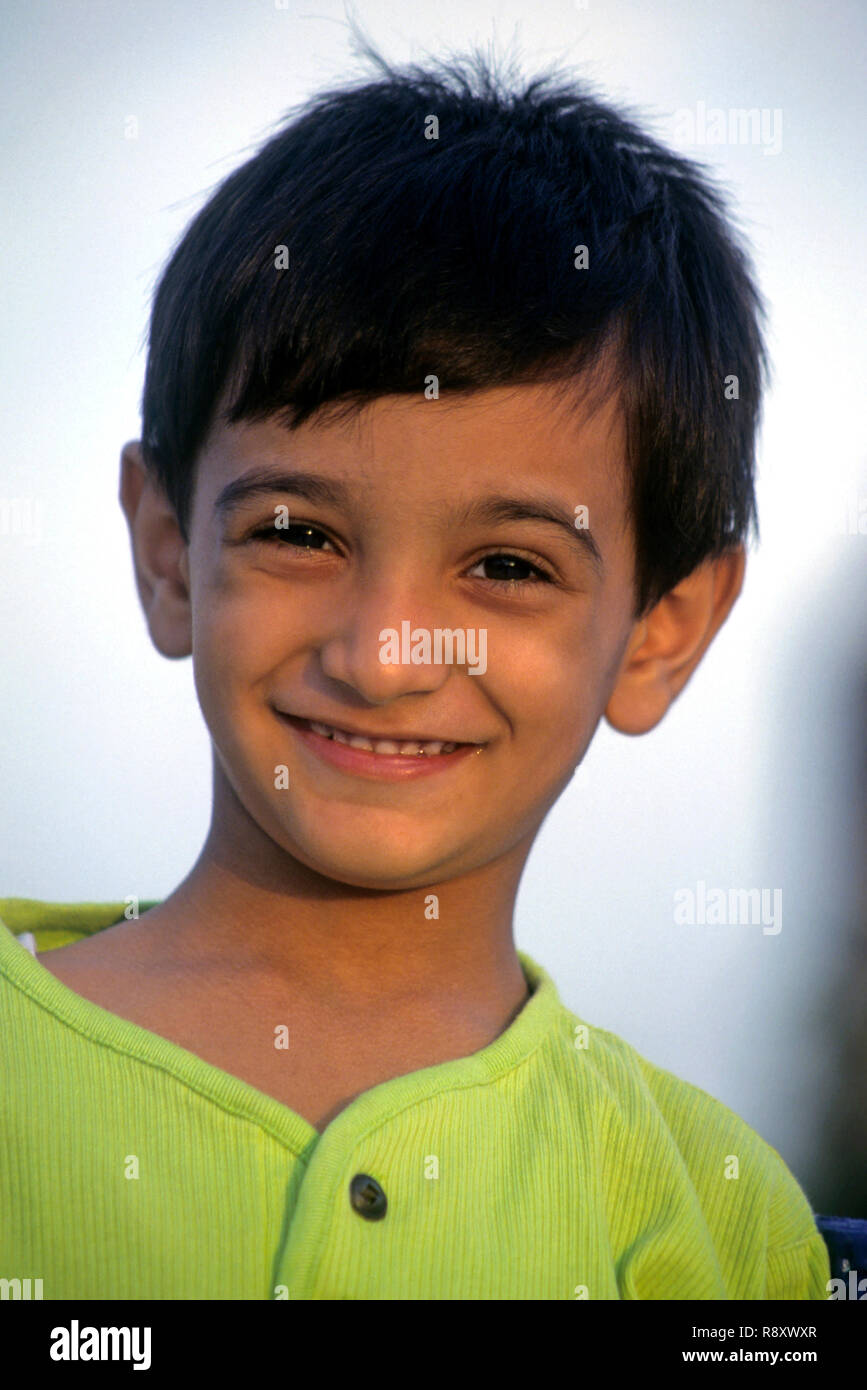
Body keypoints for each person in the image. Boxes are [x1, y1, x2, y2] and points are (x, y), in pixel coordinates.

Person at [0, 44, 831, 1300]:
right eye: (298, 534)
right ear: (169, 552)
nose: (385, 656)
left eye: (506, 566)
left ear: (663, 629)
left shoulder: (718, 1222)